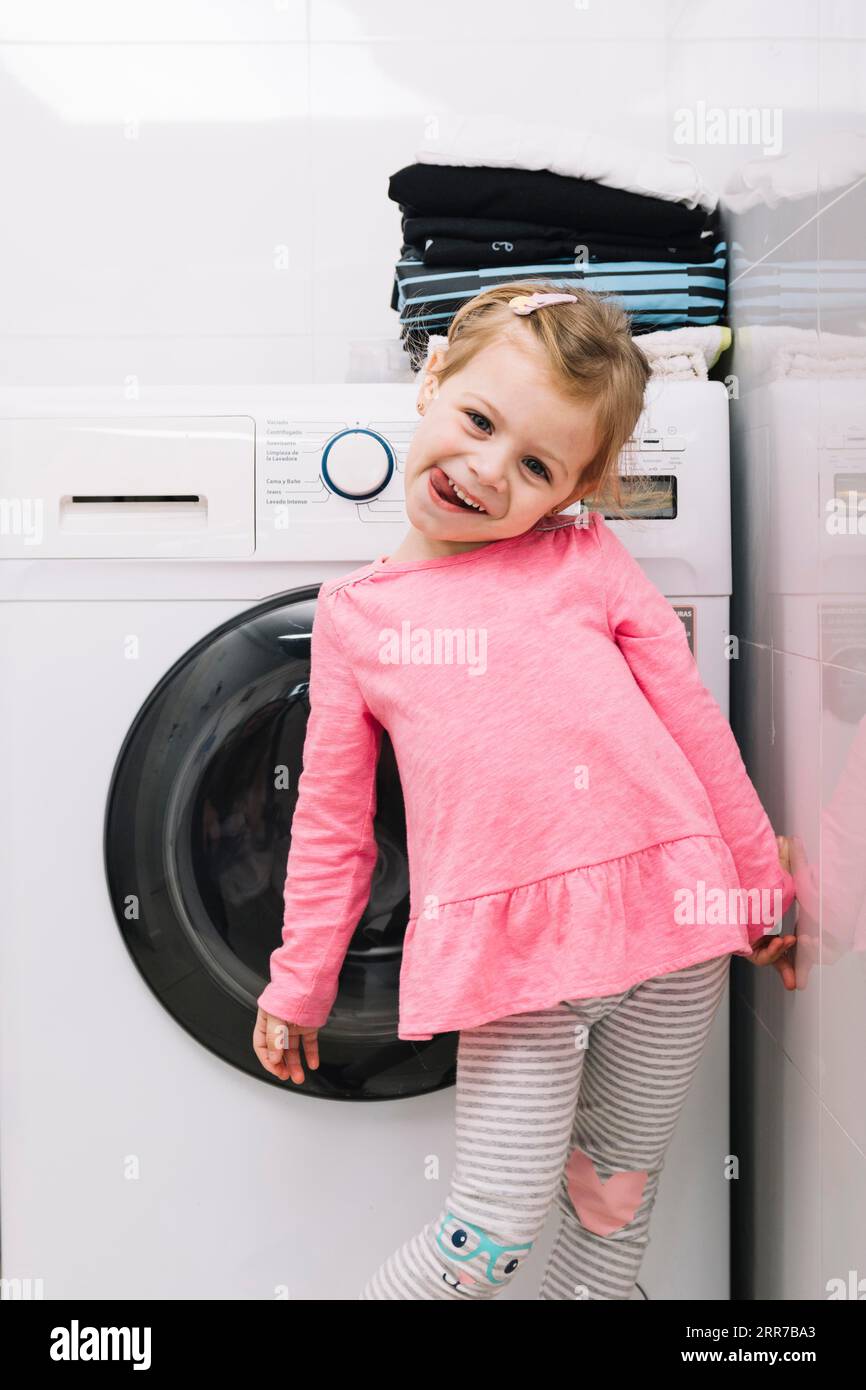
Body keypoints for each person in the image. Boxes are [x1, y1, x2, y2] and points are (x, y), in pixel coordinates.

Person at [252, 282, 797, 1300]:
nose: (489, 470)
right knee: (486, 1239)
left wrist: (756, 885)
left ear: (570, 492)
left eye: (536, 464)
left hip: (673, 926)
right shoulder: (357, 618)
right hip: (510, 954)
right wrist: (299, 979)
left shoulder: (587, 559)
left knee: (610, 1205)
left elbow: (691, 723)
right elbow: (331, 826)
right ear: (432, 381)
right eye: (478, 420)